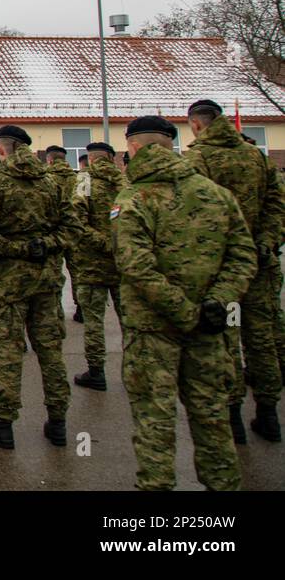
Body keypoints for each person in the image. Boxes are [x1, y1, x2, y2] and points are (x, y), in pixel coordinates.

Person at [114, 116, 257, 490]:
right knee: (213, 421)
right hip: (210, 327)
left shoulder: (133, 198)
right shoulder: (216, 194)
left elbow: (134, 265)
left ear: (133, 147)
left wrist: (183, 312)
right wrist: (218, 301)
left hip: (152, 330)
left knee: (154, 423)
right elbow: (243, 256)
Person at [184, 99, 285, 442]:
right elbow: (277, 203)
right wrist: (267, 241)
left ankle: (233, 418)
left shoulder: (198, 158)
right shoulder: (255, 155)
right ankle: (269, 413)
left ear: (196, 125)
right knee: (261, 340)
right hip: (258, 263)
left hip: (221, 273)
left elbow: (195, 217)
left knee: (227, 339)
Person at [0, 124, 80, 450]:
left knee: (9, 353)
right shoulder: (52, 185)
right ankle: (59, 422)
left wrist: (19, 249)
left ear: (3, 150)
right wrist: (44, 245)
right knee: (51, 353)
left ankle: (3, 423)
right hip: (46, 282)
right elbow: (72, 230)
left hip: (8, 285)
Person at [72, 141, 125, 391]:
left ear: (91, 159)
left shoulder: (84, 180)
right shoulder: (126, 181)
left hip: (93, 263)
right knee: (130, 321)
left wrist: (102, 243)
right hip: (124, 263)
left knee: (94, 322)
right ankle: (136, 371)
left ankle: (96, 372)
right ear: (112, 158)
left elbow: (77, 220)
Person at [45, 144, 82, 325]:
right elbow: (84, 203)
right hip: (75, 232)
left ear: (49, 160)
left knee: (55, 272)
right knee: (77, 271)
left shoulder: (46, 178)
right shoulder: (81, 179)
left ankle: (56, 310)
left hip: (55, 233)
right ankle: (80, 306)